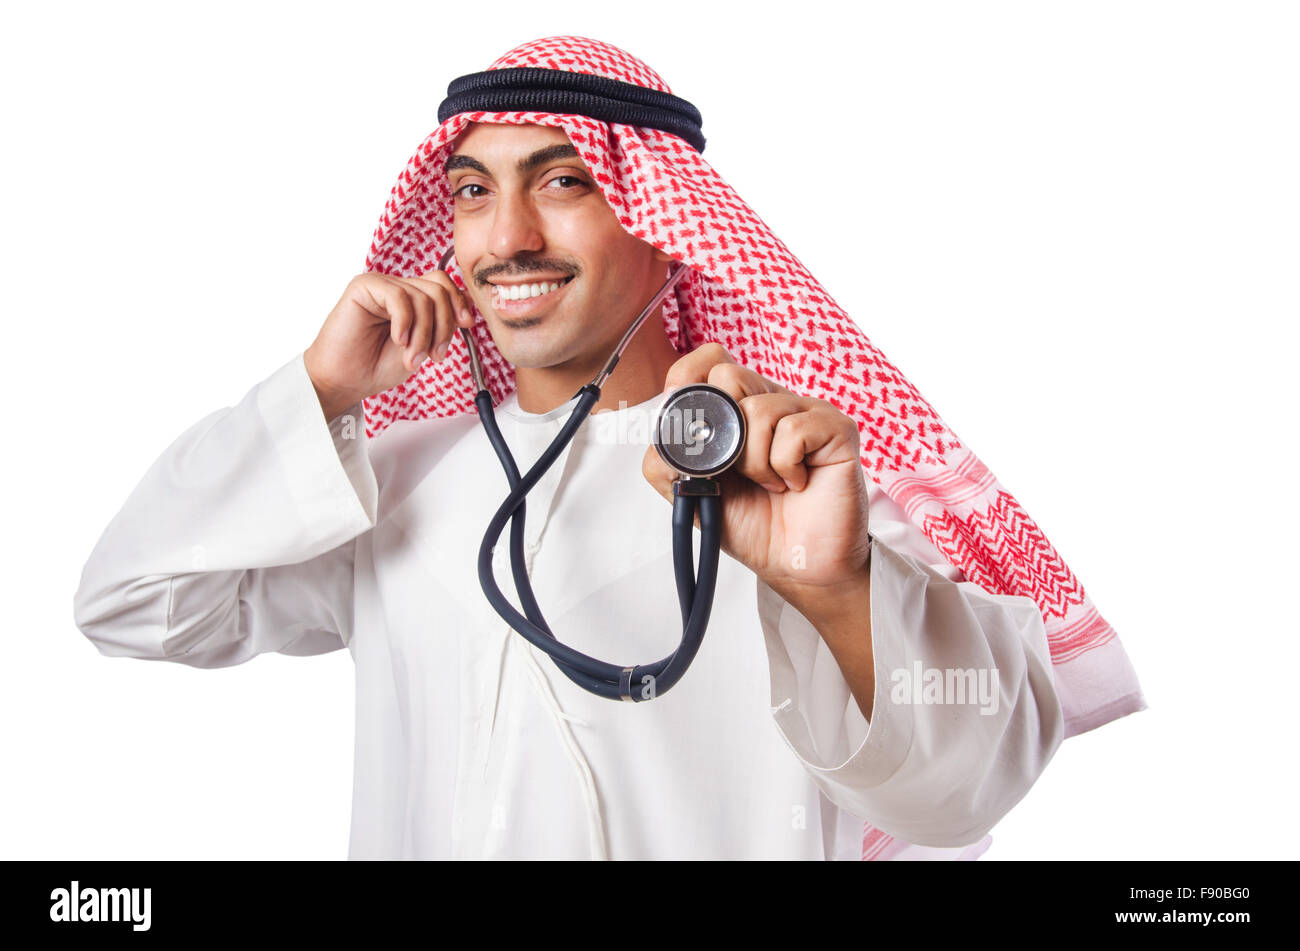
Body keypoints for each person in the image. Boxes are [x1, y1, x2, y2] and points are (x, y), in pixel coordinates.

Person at [73, 35, 1145, 860]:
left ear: (663, 221)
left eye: (563, 180)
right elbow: (132, 604)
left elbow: (962, 790)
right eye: (473, 192)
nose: (507, 239)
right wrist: (319, 391)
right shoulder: (397, 479)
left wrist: (832, 588)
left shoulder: (800, 482)